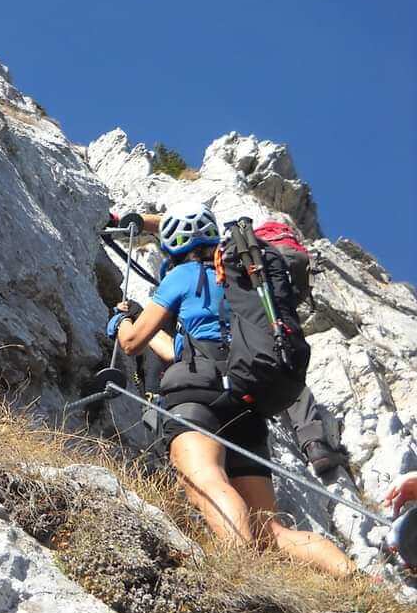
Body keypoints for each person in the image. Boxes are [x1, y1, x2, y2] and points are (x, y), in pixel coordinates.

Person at [108, 201, 354, 577]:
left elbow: (132, 343)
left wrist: (124, 320)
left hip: (195, 397)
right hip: (246, 403)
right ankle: (353, 575)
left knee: (206, 478)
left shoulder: (183, 275)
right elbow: (180, 350)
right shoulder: (239, 282)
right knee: (270, 530)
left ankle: (240, 574)